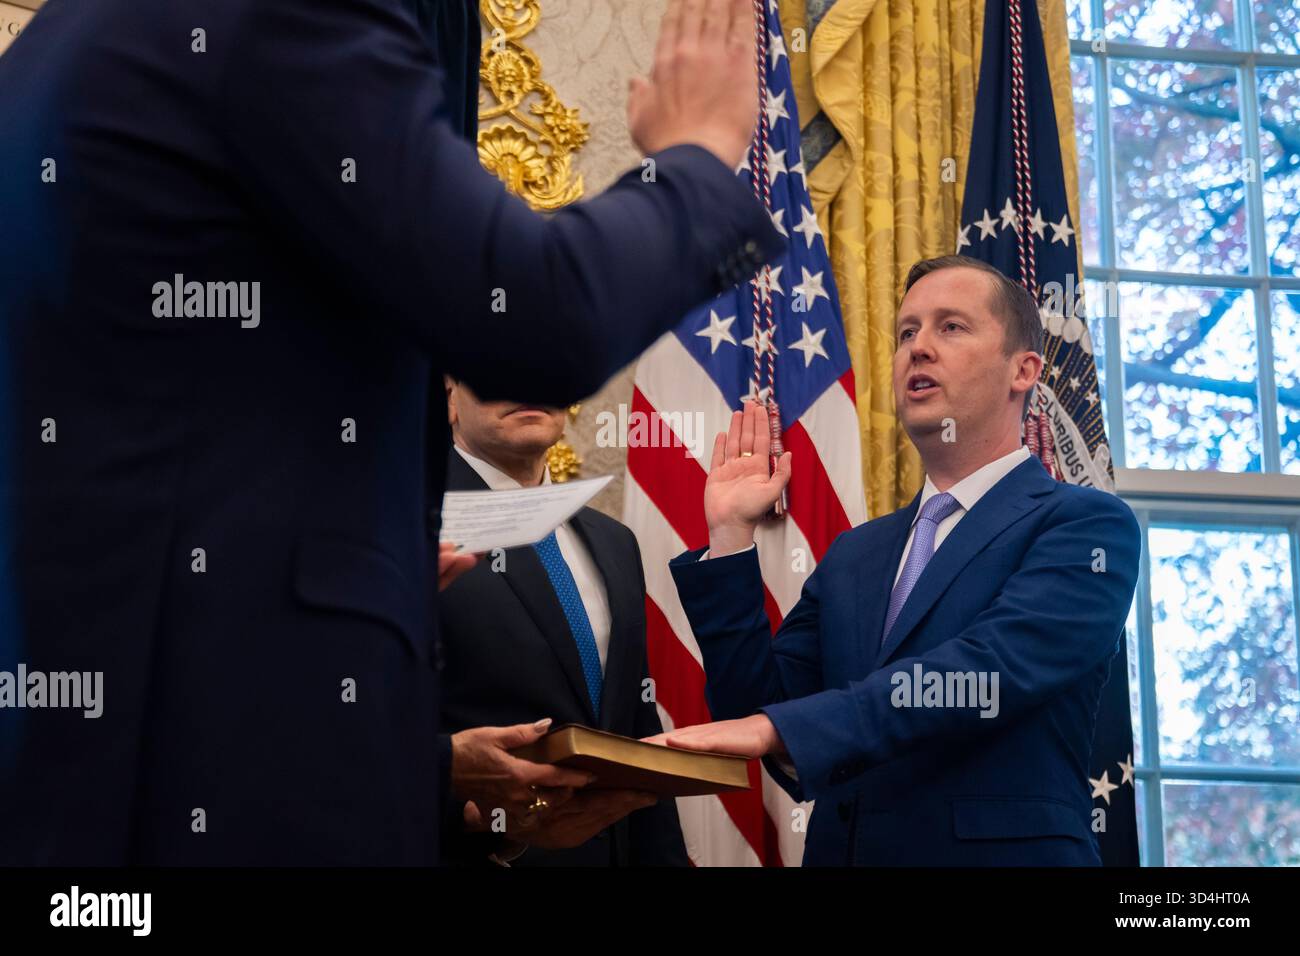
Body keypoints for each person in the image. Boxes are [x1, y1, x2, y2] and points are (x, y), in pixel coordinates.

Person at [0, 0, 781, 864]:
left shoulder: (56, 46)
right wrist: (700, 157)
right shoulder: (279, 19)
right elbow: (531, 320)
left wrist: (430, 756)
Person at [660, 256, 1141, 865]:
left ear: (1023, 370)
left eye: (951, 328)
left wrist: (781, 728)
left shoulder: (1086, 526)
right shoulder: (857, 553)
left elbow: (984, 674)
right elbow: (758, 709)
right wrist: (730, 535)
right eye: (907, 332)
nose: (919, 349)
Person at [437, 378, 689, 866]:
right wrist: (471, 821)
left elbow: (635, 729)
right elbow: (361, 729)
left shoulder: (615, 542)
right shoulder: (411, 528)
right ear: (449, 396)